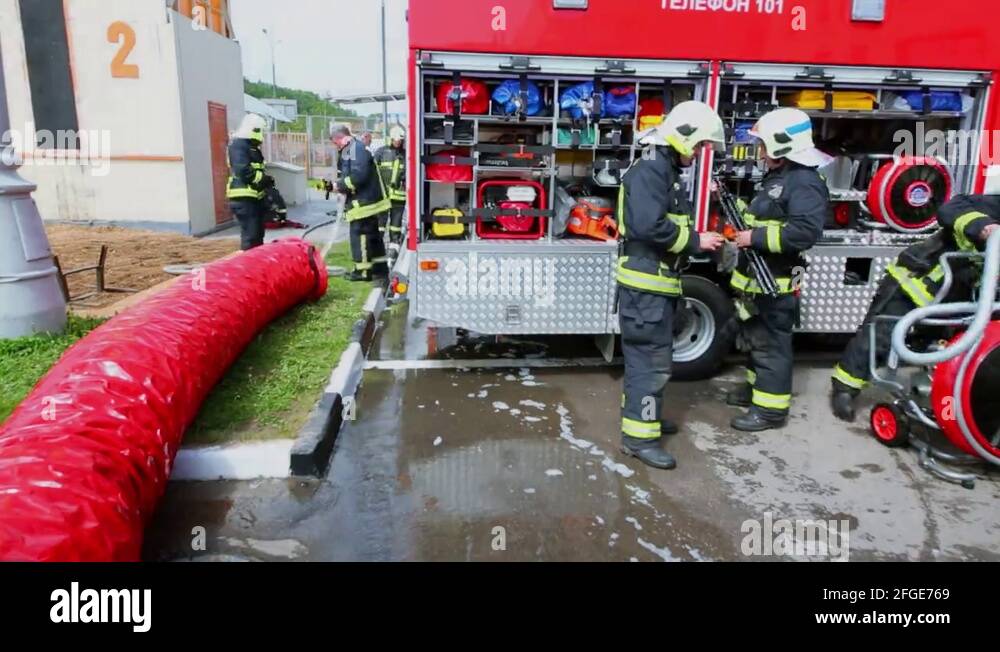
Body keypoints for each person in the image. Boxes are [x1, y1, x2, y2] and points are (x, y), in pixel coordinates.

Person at [617, 101, 726, 470]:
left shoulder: (660, 169)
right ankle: (640, 438)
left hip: (653, 287)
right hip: (645, 289)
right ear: (683, 138)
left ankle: (643, 418)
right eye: (698, 146)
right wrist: (697, 241)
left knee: (649, 363)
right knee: (650, 365)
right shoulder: (652, 172)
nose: (698, 155)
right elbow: (648, 226)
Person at [830, 193, 1000, 421]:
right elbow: (950, 208)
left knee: (943, 348)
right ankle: (845, 388)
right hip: (914, 280)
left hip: (955, 300)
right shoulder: (994, 205)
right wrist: (984, 227)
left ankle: (944, 401)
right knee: (879, 335)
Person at [726, 108, 832, 432]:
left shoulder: (805, 182)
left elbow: (804, 233)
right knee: (756, 338)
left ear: (781, 145)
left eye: (763, 145)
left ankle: (770, 410)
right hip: (760, 280)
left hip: (780, 281)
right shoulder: (780, 177)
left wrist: (752, 237)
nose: (759, 152)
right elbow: (770, 215)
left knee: (773, 344)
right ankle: (756, 391)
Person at [330, 123, 391, 281]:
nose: (335, 145)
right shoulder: (352, 148)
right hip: (368, 201)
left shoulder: (354, 149)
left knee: (359, 235)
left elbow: (359, 175)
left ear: (339, 138)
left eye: (334, 142)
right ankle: (379, 267)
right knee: (373, 236)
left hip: (364, 203)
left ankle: (363, 271)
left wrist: (340, 186)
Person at [226, 113, 273, 250]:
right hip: (243, 198)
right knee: (250, 236)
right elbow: (243, 171)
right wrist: (262, 180)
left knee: (257, 234)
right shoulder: (238, 145)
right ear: (255, 129)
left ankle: (256, 265)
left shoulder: (250, 146)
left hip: (253, 198)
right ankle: (247, 266)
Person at [374, 125, 407, 246]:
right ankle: (377, 245)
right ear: (391, 139)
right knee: (380, 222)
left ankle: (395, 243)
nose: (398, 142)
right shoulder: (381, 152)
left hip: (399, 196)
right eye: (396, 140)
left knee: (396, 223)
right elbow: (373, 170)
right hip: (383, 195)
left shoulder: (406, 155)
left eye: (400, 140)